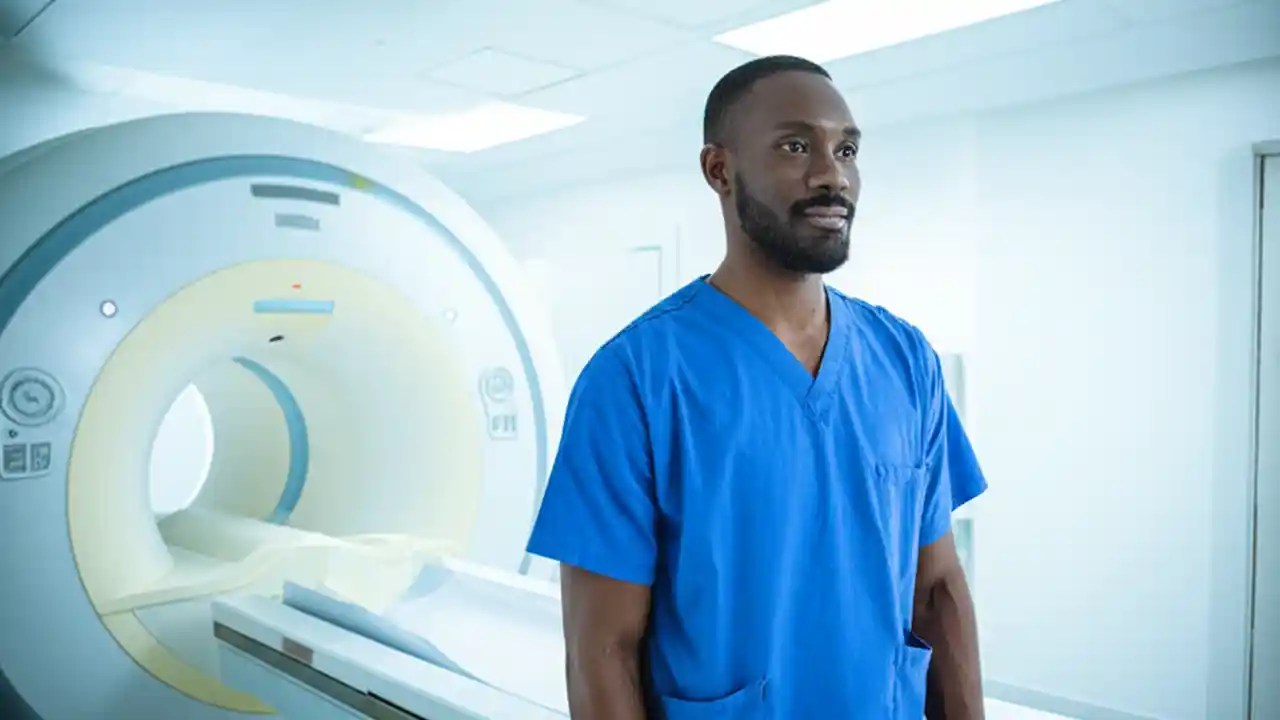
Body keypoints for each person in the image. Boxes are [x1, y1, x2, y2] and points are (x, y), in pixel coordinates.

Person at [526, 54, 988, 719]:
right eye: (796, 146)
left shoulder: (905, 360)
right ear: (720, 170)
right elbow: (603, 647)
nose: (833, 175)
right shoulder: (635, 379)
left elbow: (937, 588)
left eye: (847, 149)